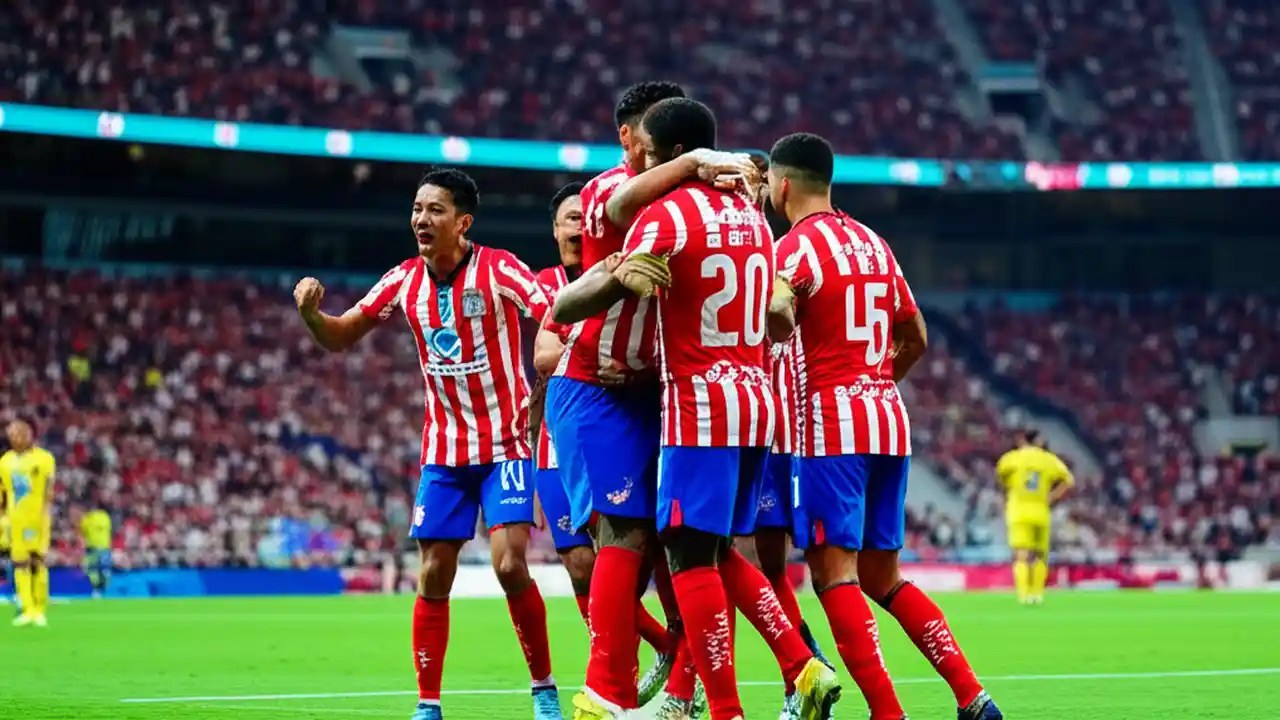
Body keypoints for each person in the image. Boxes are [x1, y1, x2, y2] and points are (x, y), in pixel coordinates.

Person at [555, 97, 840, 720]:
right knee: (711, 551)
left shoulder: (665, 210)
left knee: (675, 553)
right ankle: (800, 663)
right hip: (755, 401)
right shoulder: (755, 218)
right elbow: (775, 313)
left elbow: (614, 235)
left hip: (692, 403)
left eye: (651, 155)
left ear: (667, 155)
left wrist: (589, 295)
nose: (639, 162)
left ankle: (683, 704)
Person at [293, 168, 562, 720]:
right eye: (417, 209)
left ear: (463, 222)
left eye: (434, 210)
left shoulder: (500, 268)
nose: (421, 218)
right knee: (434, 574)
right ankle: (428, 703)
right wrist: (310, 315)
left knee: (511, 565)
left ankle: (544, 690)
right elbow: (342, 335)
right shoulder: (401, 281)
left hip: (506, 444)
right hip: (444, 452)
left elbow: (550, 311)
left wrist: (550, 367)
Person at [766, 132, 1002, 720]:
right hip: (887, 421)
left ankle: (887, 713)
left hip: (829, 426)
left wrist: (775, 317)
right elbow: (916, 332)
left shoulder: (792, 250)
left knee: (834, 575)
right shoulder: (874, 244)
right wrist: (877, 378)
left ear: (784, 184)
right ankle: (972, 696)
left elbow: (776, 310)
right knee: (884, 576)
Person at [540, 80, 688, 719]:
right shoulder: (606, 195)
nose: (666, 148)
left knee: (684, 542)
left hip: (662, 392)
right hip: (595, 388)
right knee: (614, 536)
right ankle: (609, 691)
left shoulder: (692, 206)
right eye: (658, 134)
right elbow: (549, 340)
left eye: (678, 140)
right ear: (630, 137)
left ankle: (687, 681)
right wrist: (703, 163)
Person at [531, 182, 675, 665]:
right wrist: (597, 354)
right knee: (579, 564)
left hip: (624, 422)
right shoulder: (547, 285)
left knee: (633, 546)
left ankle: (633, 662)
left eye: (582, 218)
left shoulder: (625, 267)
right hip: (557, 439)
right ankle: (643, 653)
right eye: (568, 218)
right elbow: (545, 356)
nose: (577, 226)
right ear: (555, 230)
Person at [996, 428, 1073, 604]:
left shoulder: (1011, 458)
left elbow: (1000, 476)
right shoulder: (1048, 459)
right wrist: (1053, 496)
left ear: (1023, 440)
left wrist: (1008, 490)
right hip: (1040, 510)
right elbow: (1069, 480)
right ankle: (1037, 594)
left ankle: (1023, 595)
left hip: (1018, 510)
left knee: (1021, 554)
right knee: (1039, 555)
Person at [1, 418, 56, 628]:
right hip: (16, 519)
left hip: (38, 518)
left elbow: (48, 491)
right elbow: (3, 493)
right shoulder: (4, 461)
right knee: (19, 563)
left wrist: (44, 515)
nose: (15, 437)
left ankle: (40, 610)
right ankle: (27, 609)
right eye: (11, 434)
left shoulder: (44, 458)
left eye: (18, 433)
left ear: (29, 434)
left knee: (37, 561)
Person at [80, 505, 114, 599]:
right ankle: (102, 590)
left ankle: (97, 590)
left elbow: (83, 531)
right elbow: (109, 530)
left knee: (93, 571)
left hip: (92, 548)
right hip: (104, 548)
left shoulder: (87, 518)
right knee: (104, 570)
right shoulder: (106, 517)